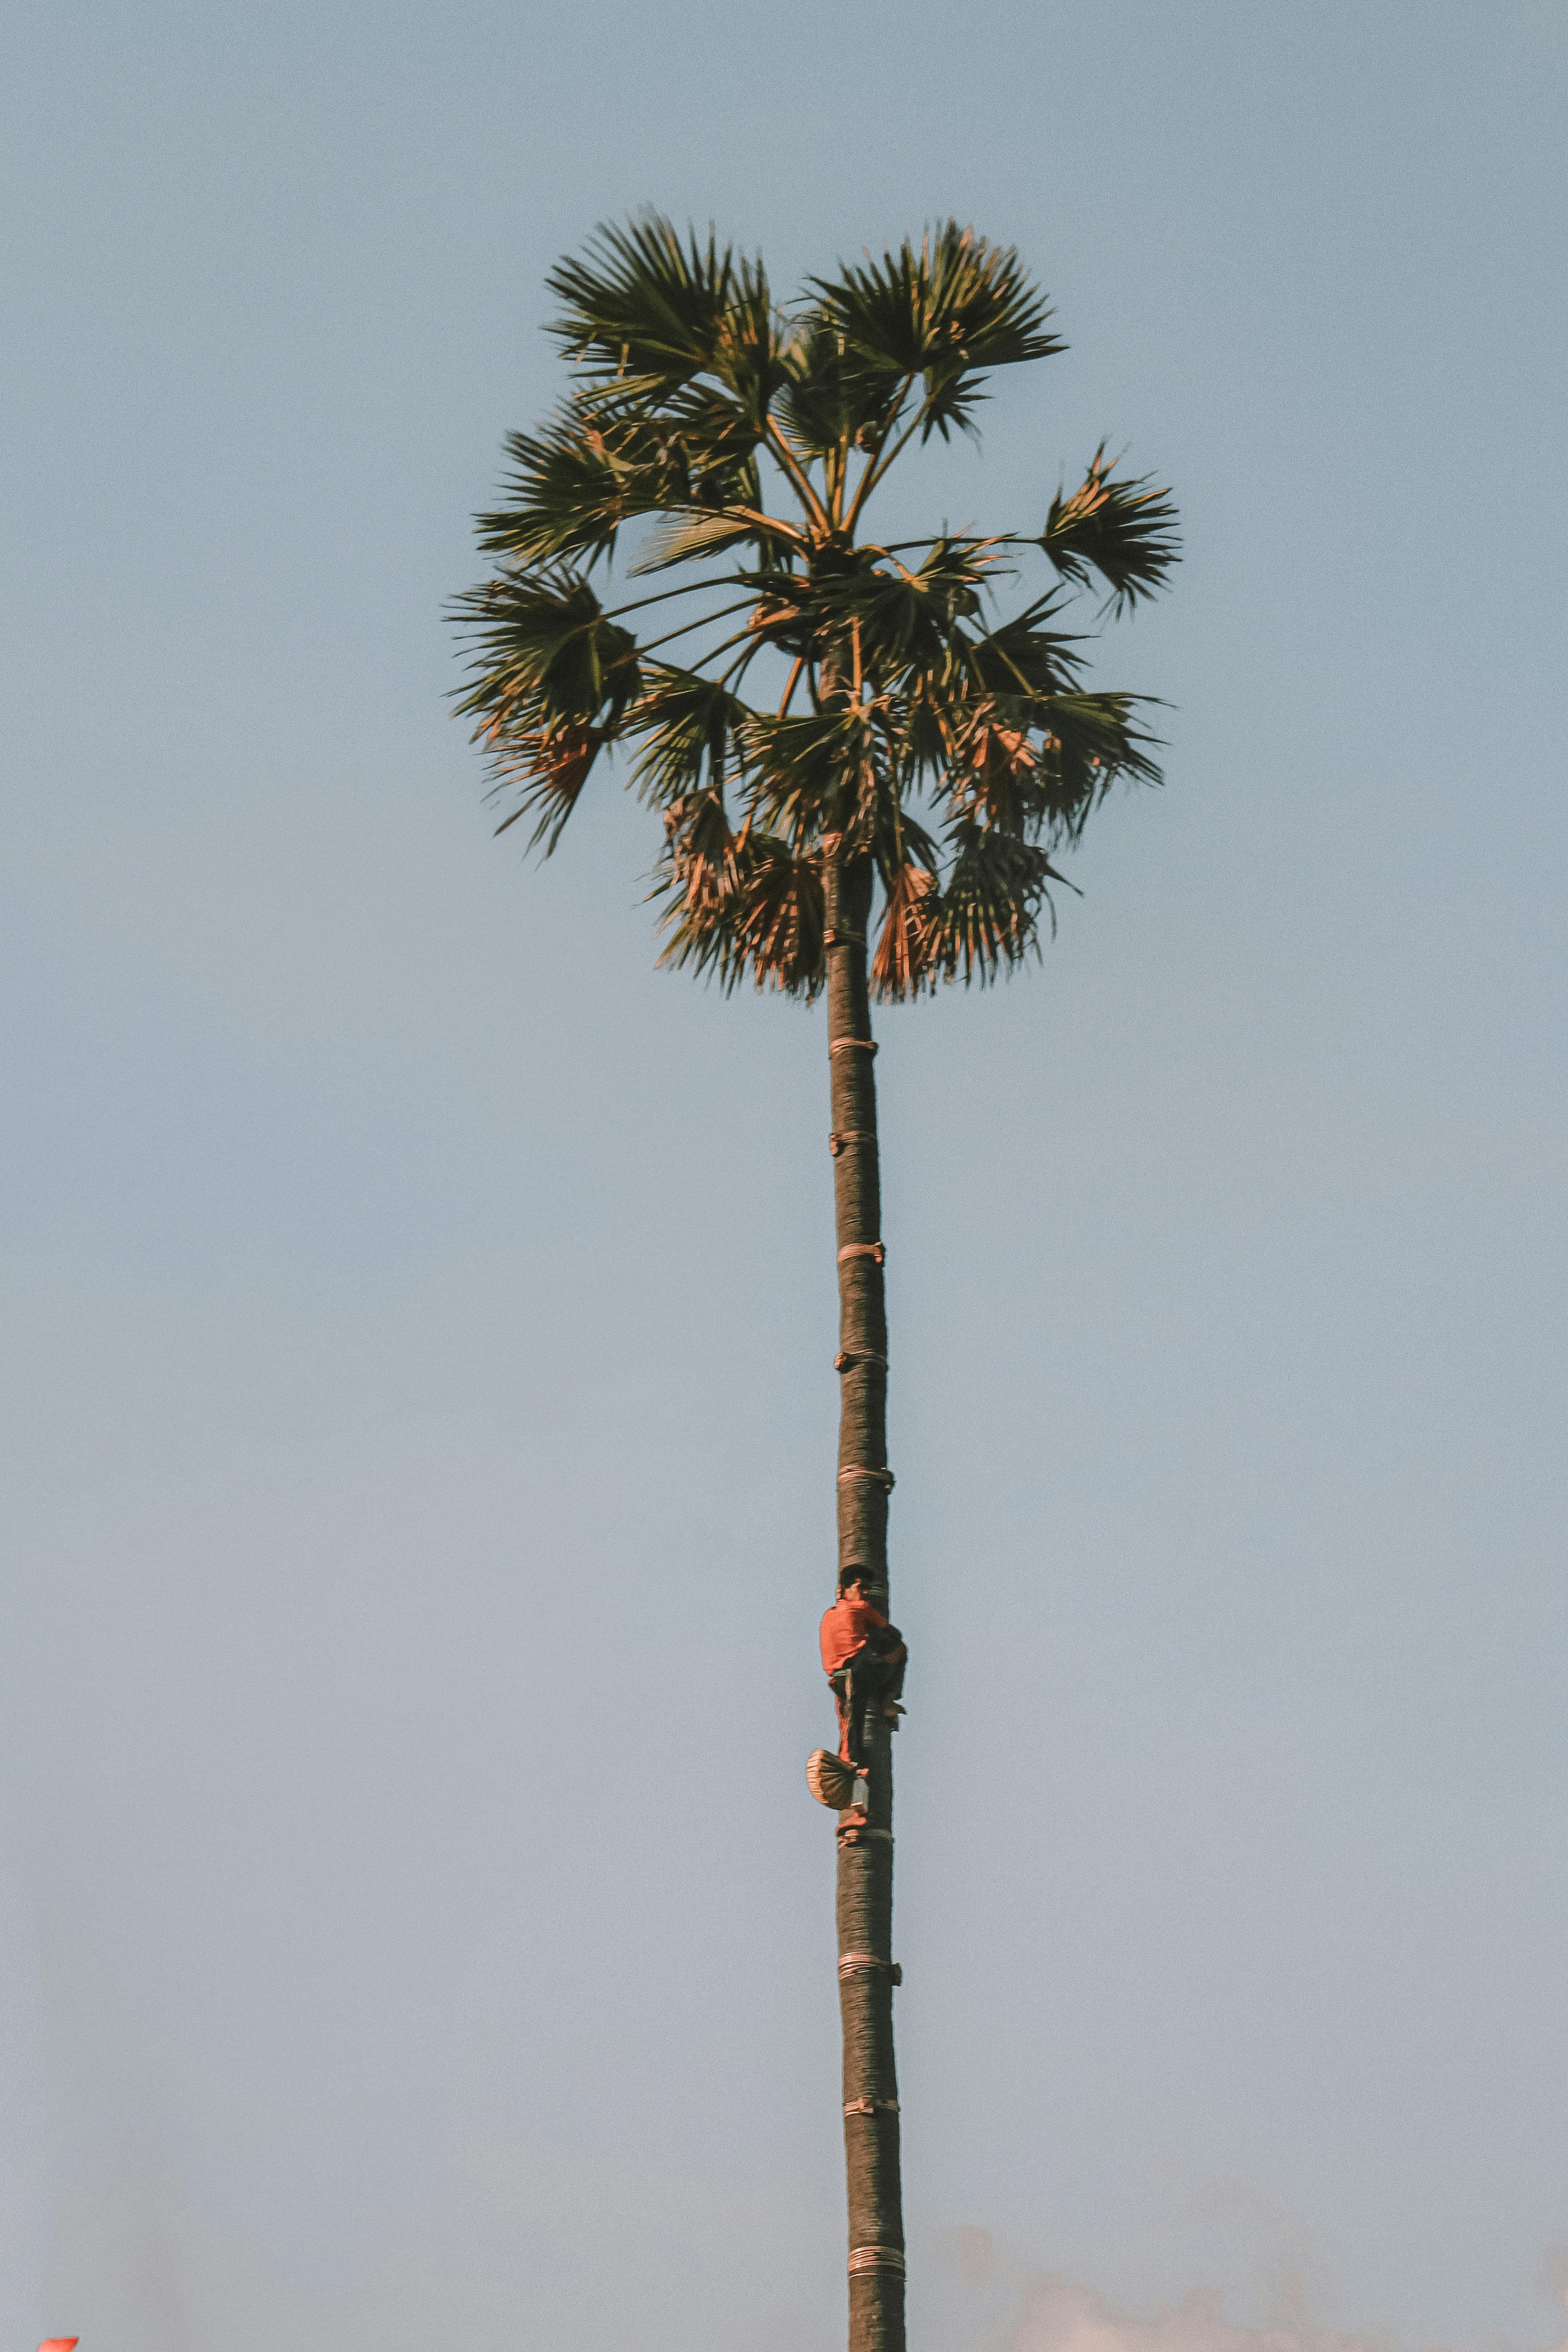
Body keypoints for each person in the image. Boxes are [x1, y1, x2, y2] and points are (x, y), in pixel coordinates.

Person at [819, 1568, 907, 1769]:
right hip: (861, 1667)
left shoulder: (828, 1615)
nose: (865, 1592)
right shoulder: (861, 1607)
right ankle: (888, 1702)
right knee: (901, 1649)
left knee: (851, 1720)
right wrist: (884, 1649)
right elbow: (893, 1633)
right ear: (844, 1590)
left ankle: (850, 1761)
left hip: (837, 1675)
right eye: (861, 1587)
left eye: (867, 1588)